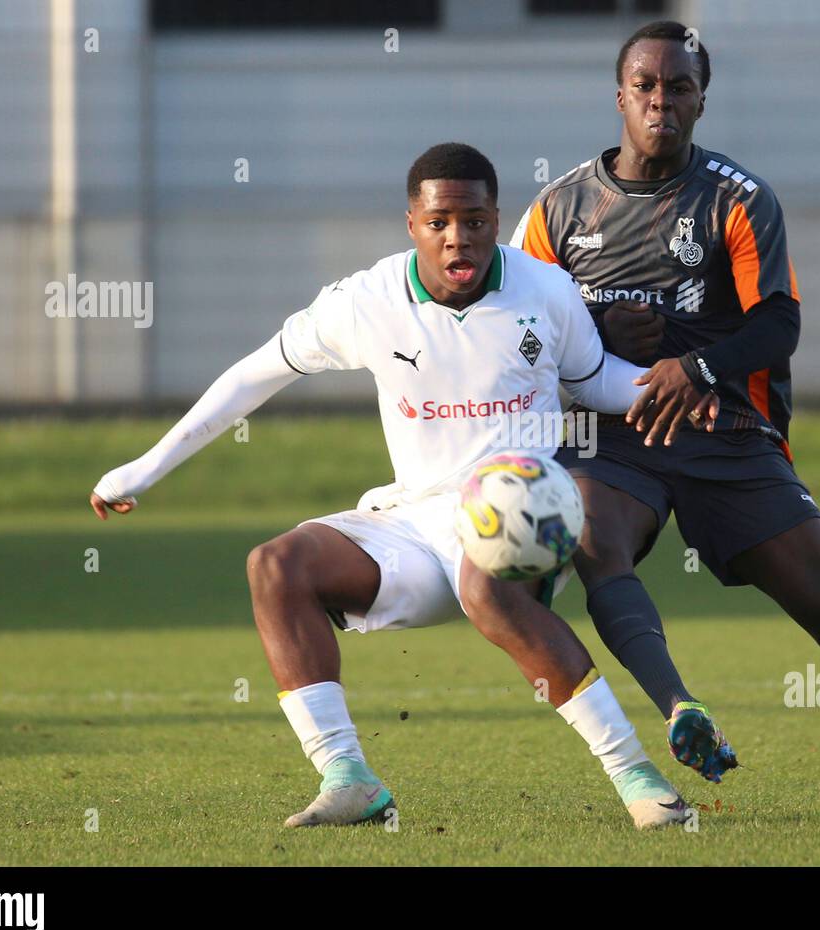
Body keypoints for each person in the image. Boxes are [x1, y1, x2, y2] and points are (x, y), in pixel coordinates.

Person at [90, 143, 695, 829]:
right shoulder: (367, 300)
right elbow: (254, 375)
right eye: (439, 222)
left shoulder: (545, 291)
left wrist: (678, 384)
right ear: (412, 223)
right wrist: (143, 468)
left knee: (485, 582)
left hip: (519, 505)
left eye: (472, 220)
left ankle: (638, 779)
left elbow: (596, 382)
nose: (456, 237)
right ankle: (347, 777)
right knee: (273, 565)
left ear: (496, 220)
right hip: (413, 520)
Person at [513, 22, 820, 811]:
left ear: (701, 101)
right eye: (645, 86)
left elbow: (778, 323)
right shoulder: (558, 209)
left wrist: (699, 367)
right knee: (594, 544)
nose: (661, 102)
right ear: (618, 95)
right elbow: (528, 334)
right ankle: (681, 709)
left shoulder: (737, 199)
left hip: (728, 435)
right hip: (615, 437)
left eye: (678, 88)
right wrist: (599, 331)